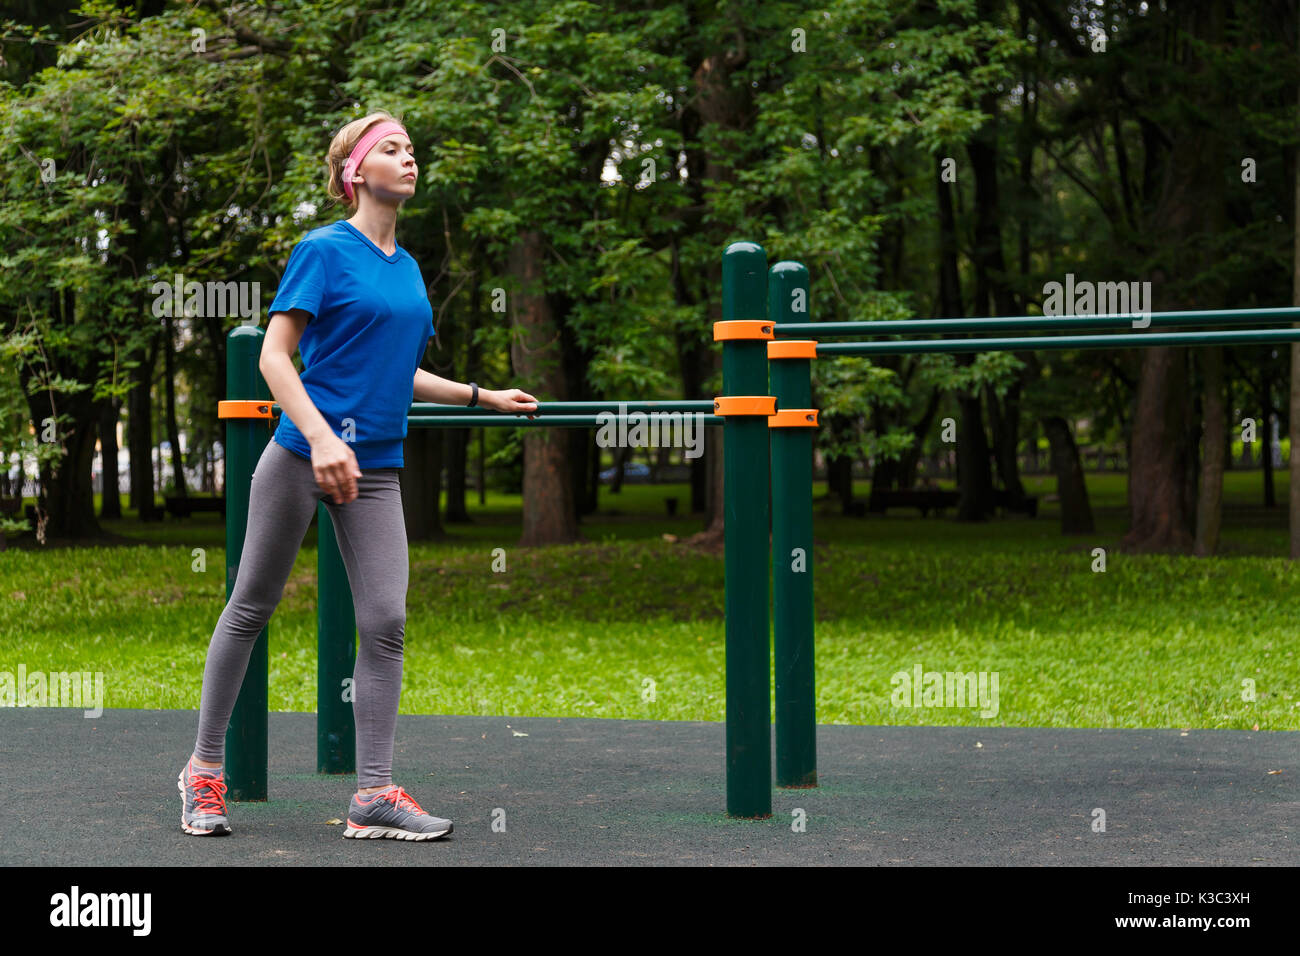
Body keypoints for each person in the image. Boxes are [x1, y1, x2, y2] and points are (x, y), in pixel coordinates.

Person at [178, 109, 538, 840]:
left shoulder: (405, 268)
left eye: (413, 149)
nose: (411, 159)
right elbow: (275, 358)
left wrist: (479, 395)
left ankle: (373, 793)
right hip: (299, 456)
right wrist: (318, 439)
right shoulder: (323, 249)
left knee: (386, 622)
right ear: (356, 172)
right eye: (393, 149)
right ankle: (204, 771)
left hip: (374, 466)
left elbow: (395, 370)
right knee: (250, 606)